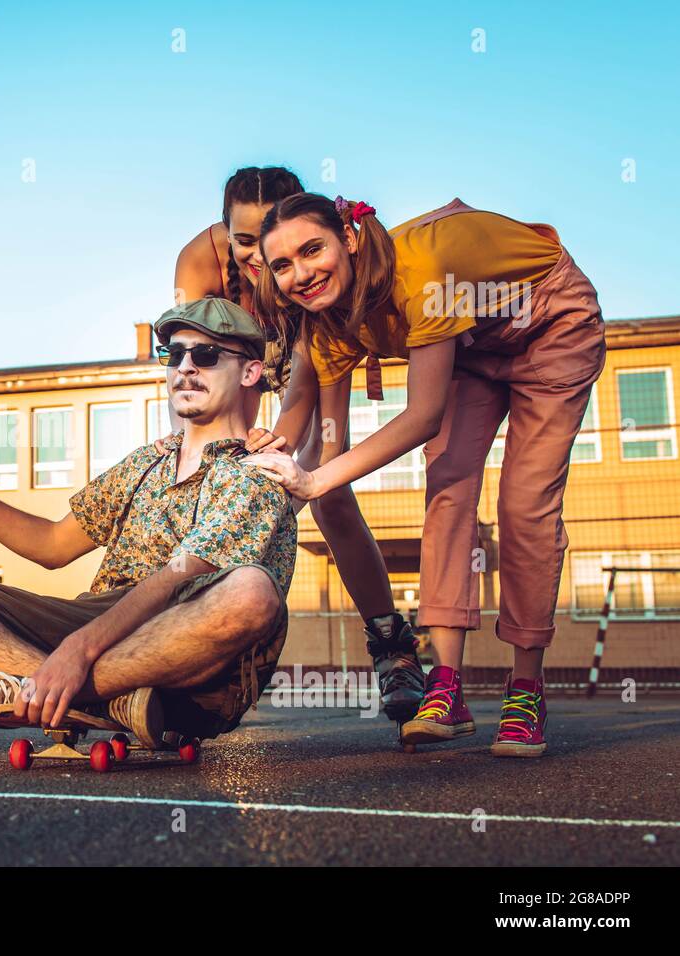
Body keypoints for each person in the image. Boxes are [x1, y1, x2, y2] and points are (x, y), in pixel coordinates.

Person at [250, 193, 606, 757]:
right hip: (475, 341)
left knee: (523, 501)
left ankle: (526, 688)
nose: (301, 273)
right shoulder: (329, 324)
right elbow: (328, 435)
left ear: (349, 237)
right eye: (283, 265)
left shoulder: (421, 272)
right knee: (448, 483)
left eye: (311, 249)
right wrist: (278, 454)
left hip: (551, 320)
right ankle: (448, 688)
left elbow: (423, 415)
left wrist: (315, 481)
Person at [0, 298, 297, 748]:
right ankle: (90, 697)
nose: (185, 367)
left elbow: (180, 574)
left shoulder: (258, 469)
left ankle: (38, 689)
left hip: (190, 659)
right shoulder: (147, 461)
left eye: (205, 356)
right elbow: (52, 544)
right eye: (174, 354)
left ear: (249, 372)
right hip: (99, 616)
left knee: (250, 592)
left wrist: (78, 651)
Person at [168, 166, 427, 720]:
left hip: (311, 346)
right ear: (225, 233)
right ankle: (186, 647)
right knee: (207, 478)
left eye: (270, 243)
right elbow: (196, 363)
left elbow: (303, 400)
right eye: (244, 243)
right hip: (236, 358)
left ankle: (392, 646)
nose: (258, 258)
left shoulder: (306, 275)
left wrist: (280, 455)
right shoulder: (200, 263)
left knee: (326, 489)